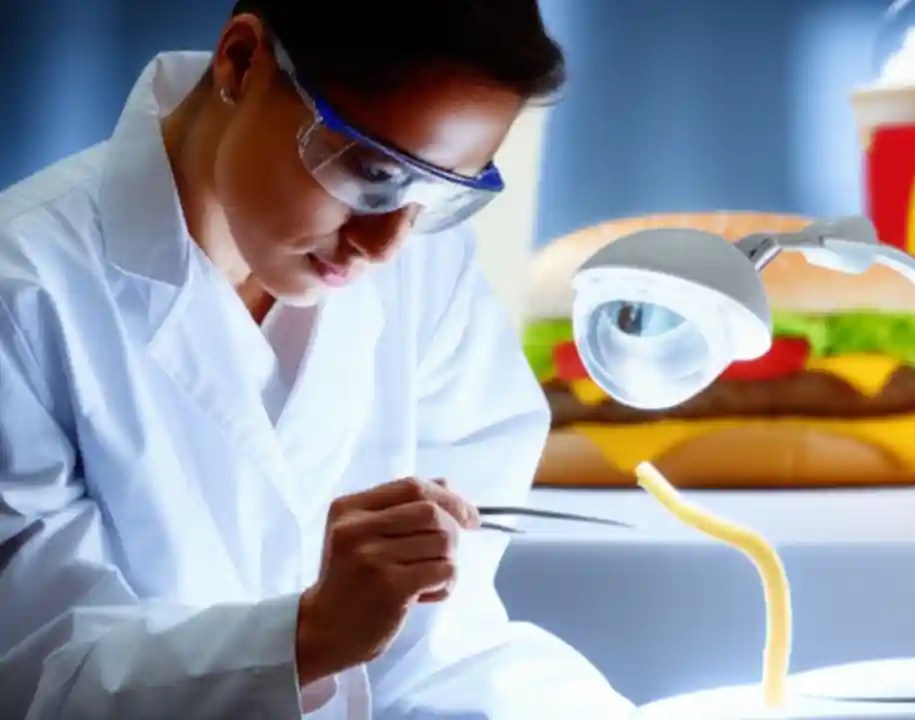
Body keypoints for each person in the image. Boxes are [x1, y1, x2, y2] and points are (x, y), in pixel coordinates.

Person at [0, 2, 634, 718]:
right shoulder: (22, 298)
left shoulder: (428, 267)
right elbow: (37, 681)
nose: (386, 243)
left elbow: (439, 648)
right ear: (241, 62)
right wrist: (312, 634)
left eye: (434, 193)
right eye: (372, 173)